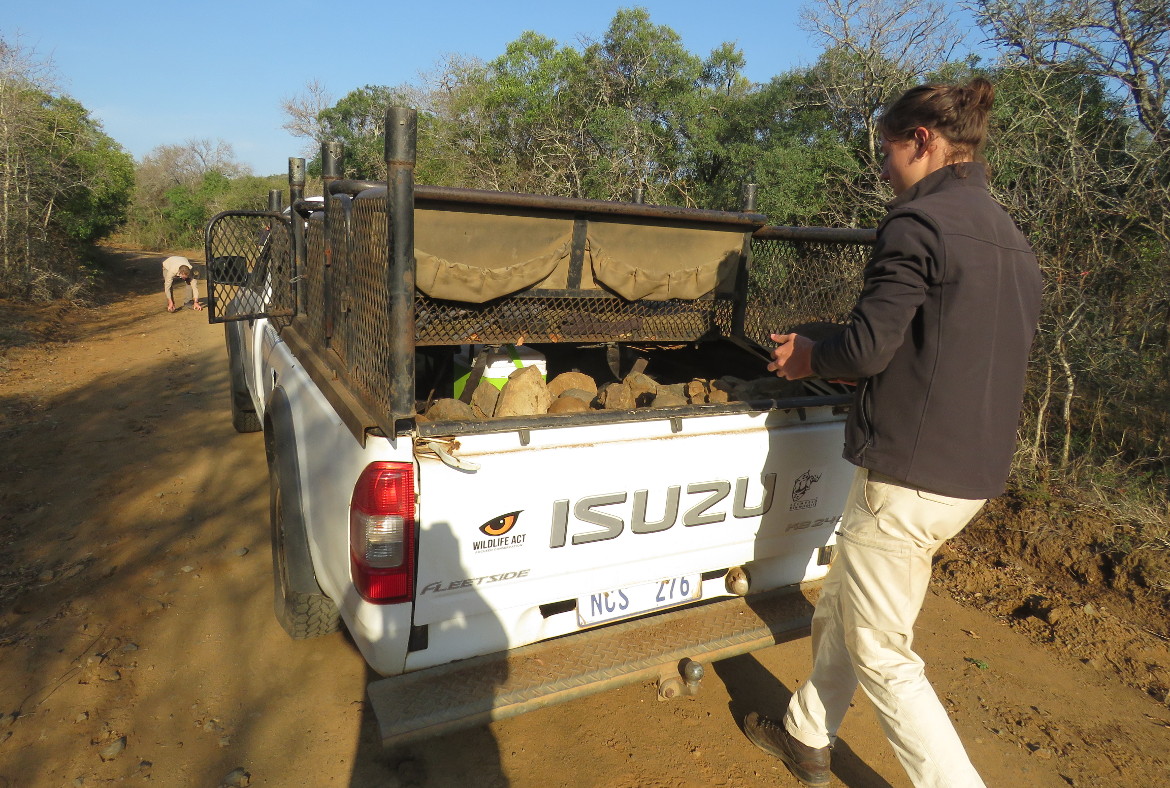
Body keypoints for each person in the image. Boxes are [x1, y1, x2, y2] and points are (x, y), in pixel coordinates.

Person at [744, 78, 1043, 788]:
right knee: (849, 598)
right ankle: (804, 734)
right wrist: (829, 340)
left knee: (883, 653)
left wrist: (811, 354)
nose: (883, 169)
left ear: (922, 141)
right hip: (968, 476)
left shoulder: (918, 225)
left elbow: (871, 350)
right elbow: (937, 347)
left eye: (888, 150)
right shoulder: (1009, 238)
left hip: (908, 478)